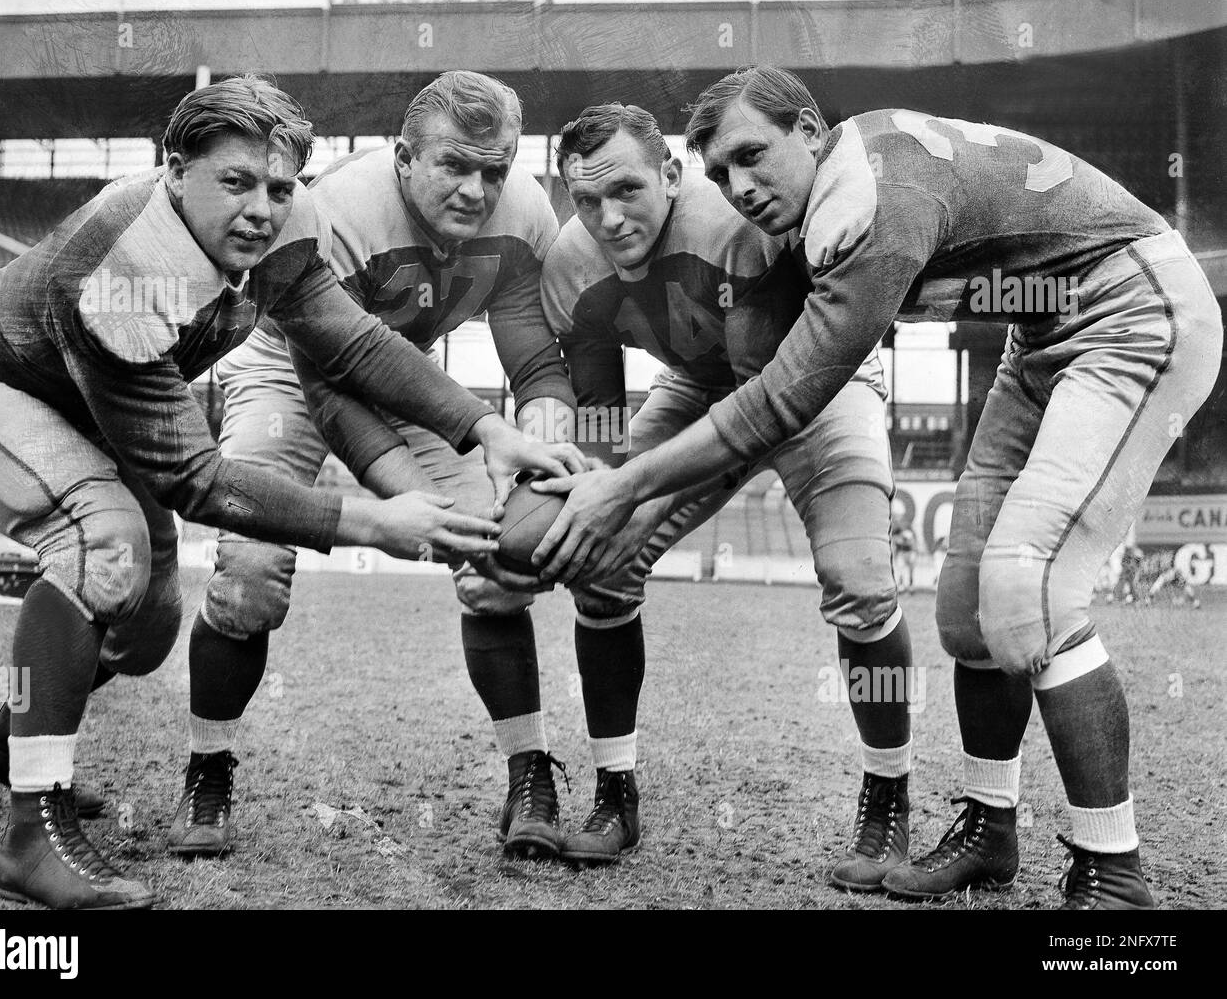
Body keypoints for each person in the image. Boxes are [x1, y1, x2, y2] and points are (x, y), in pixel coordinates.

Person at [529, 66, 1222, 909]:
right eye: (724, 172)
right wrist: (583, 471)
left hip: (1126, 313)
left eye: (754, 155)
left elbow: (781, 397)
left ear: (812, 133)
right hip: (1035, 339)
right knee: (968, 608)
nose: (741, 187)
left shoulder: (866, 200)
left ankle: (1110, 868)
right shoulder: (650, 245)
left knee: (1022, 589)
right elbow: (632, 396)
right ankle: (988, 826)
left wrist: (625, 485)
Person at [0, 75, 581, 910]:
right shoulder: (127, 264)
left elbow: (351, 342)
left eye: (278, 186)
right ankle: (33, 835)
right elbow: (192, 480)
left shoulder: (292, 222)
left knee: (149, 624)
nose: (261, 209)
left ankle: (7, 744)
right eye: (234, 182)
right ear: (174, 171)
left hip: (89, 400)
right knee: (107, 547)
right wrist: (371, 519)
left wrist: (483, 428)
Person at [169, 71, 586, 863]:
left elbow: (532, 351)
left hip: (409, 375)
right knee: (252, 571)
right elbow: (331, 389)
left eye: (494, 169)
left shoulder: (527, 208)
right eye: (454, 166)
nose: (478, 188)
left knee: (499, 557)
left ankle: (529, 773)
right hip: (287, 371)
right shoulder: (336, 208)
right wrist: (411, 505)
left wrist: (540, 442)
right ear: (402, 157)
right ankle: (208, 769)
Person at [541, 103, 917, 887]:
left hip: (818, 382)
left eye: (627, 192)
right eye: (584, 200)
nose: (607, 219)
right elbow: (604, 410)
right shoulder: (571, 262)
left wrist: (644, 485)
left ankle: (888, 795)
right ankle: (615, 793)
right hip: (701, 383)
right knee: (600, 561)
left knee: (860, 584)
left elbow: (764, 405)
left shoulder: (736, 228)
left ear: (672, 175)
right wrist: (605, 487)